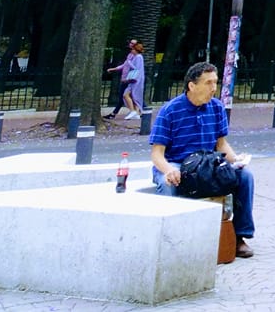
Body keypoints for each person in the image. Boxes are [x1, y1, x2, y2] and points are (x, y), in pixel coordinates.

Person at [149, 61, 257, 259]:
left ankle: (239, 236)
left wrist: (236, 160)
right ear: (192, 85)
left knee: (245, 176)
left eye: (215, 82)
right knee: (169, 183)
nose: (214, 88)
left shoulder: (216, 108)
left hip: (207, 164)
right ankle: (170, 241)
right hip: (177, 163)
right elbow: (157, 153)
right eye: (208, 83)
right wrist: (168, 170)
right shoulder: (170, 111)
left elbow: (221, 144)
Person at [107, 40, 145, 120]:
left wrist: (129, 63)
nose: (131, 49)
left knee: (128, 95)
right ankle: (135, 112)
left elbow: (136, 68)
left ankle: (135, 112)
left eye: (133, 48)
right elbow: (125, 65)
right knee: (130, 96)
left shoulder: (138, 57)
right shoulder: (132, 56)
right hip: (130, 80)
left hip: (134, 80)